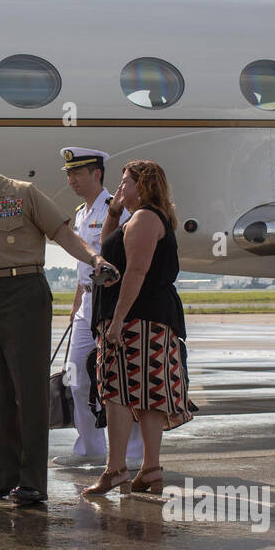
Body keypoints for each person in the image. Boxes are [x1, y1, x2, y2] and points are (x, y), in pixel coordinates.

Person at [0, 129, 117, 506]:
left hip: (28, 290)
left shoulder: (23, 193)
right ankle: (3, 477)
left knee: (30, 391)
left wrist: (95, 259)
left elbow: (63, 233)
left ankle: (33, 481)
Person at [84, 160, 195, 497]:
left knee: (116, 391)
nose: (119, 188)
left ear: (142, 186)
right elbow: (107, 250)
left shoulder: (146, 219)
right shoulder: (137, 218)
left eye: (125, 182)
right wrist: (115, 212)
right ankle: (150, 469)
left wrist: (117, 321)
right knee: (147, 395)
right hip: (145, 318)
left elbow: (135, 274)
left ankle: (116, 468)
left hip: (137, 319)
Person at [50, 146, 144, 469]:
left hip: (113, 298)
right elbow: (83, 263)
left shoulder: (115, 209)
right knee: (77, 376)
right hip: (87, 301)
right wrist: (77, 302)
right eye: (69, 174)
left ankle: (134, 452)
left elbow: (130, 258)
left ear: (97, 174)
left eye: (77, 173)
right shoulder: (81, 213)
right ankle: (90, 446)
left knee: (120, 377)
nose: (71, 179)